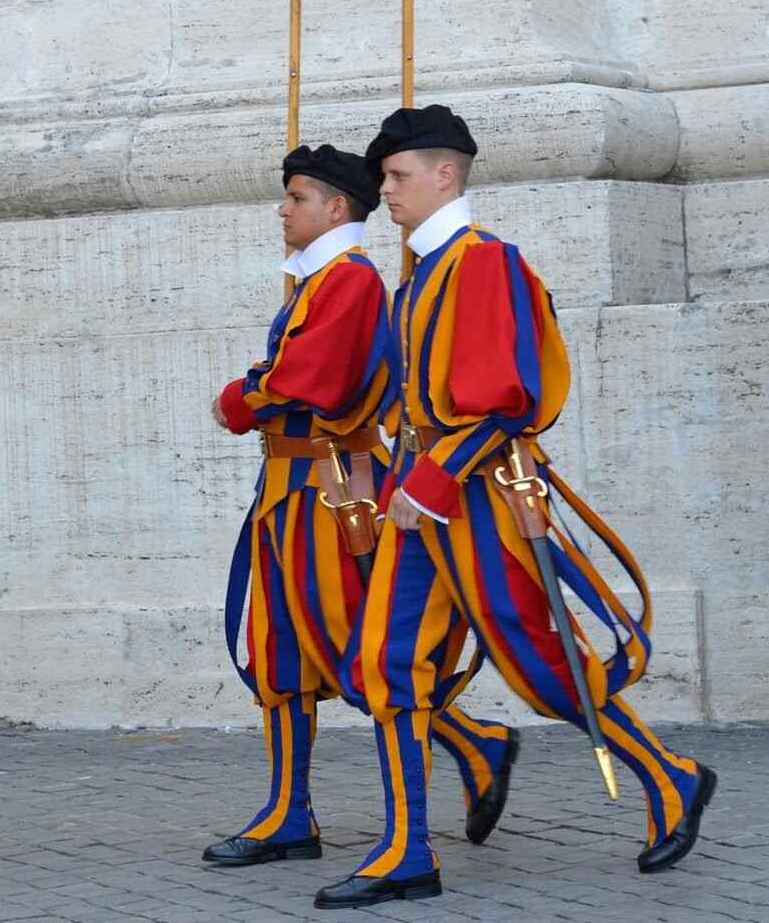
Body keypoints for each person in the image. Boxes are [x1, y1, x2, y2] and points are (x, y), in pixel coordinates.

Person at [314, 106, 717, 910]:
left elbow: (508, 397)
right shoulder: (420, 272)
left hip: (476, 498)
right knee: (384, 664)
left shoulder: (484, 262)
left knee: (539, 664)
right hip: (419, 496)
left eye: (396, 176)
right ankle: (406, 850)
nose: (384, 190)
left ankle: (670, 775)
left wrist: (431, 480)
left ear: (445, 175)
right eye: (384, 177)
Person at [203, 143, 521, 870]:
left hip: (332, 488)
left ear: (335, 207)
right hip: (289, 487)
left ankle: (471, 747)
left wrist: (241, 397)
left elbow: (312, 379)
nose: (283, 210)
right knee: (283, 649)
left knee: (353, 643)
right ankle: (289, 812)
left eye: (297, 197)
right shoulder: (322, 279)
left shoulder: (350, 279)